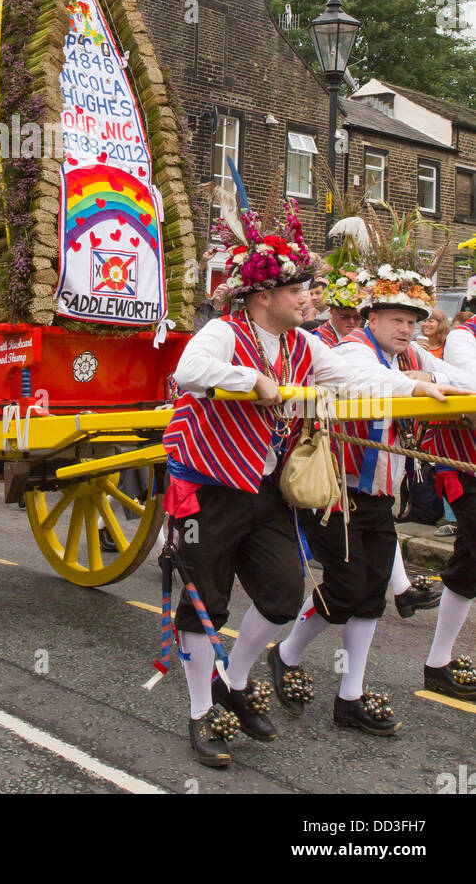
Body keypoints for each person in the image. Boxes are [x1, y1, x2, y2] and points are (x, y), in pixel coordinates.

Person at [160, 195, 445, 768]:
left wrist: (413, 387)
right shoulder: (224, 332)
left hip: (265, 489)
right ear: (264, 296)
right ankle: (199, 712)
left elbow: (355, 374)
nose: (310, 299)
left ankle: (233, 681)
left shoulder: (304, 344)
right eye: (298, 291)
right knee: (204, 604)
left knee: (283, 594)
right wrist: (249, 380)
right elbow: (188, 371)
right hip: (209, 485)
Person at [273, 257, 465, 735]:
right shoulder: (353, 349)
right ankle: (286, 653)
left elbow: (456, 379)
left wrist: (435, 380)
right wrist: (418, 385)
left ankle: (350, 697)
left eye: (414, 321)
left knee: (372, 593)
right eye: (397, 319)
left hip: (379, 492)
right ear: (371, 318)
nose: (407, 329)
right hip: (334, 489)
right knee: (344, 588)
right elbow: (366, 382)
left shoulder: (414, 356)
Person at [417, 285, 476, 700]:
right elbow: (470, 389)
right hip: (465, 466)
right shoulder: (463, 336)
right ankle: (438, 662)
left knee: (470, 563)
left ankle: (438, 663)